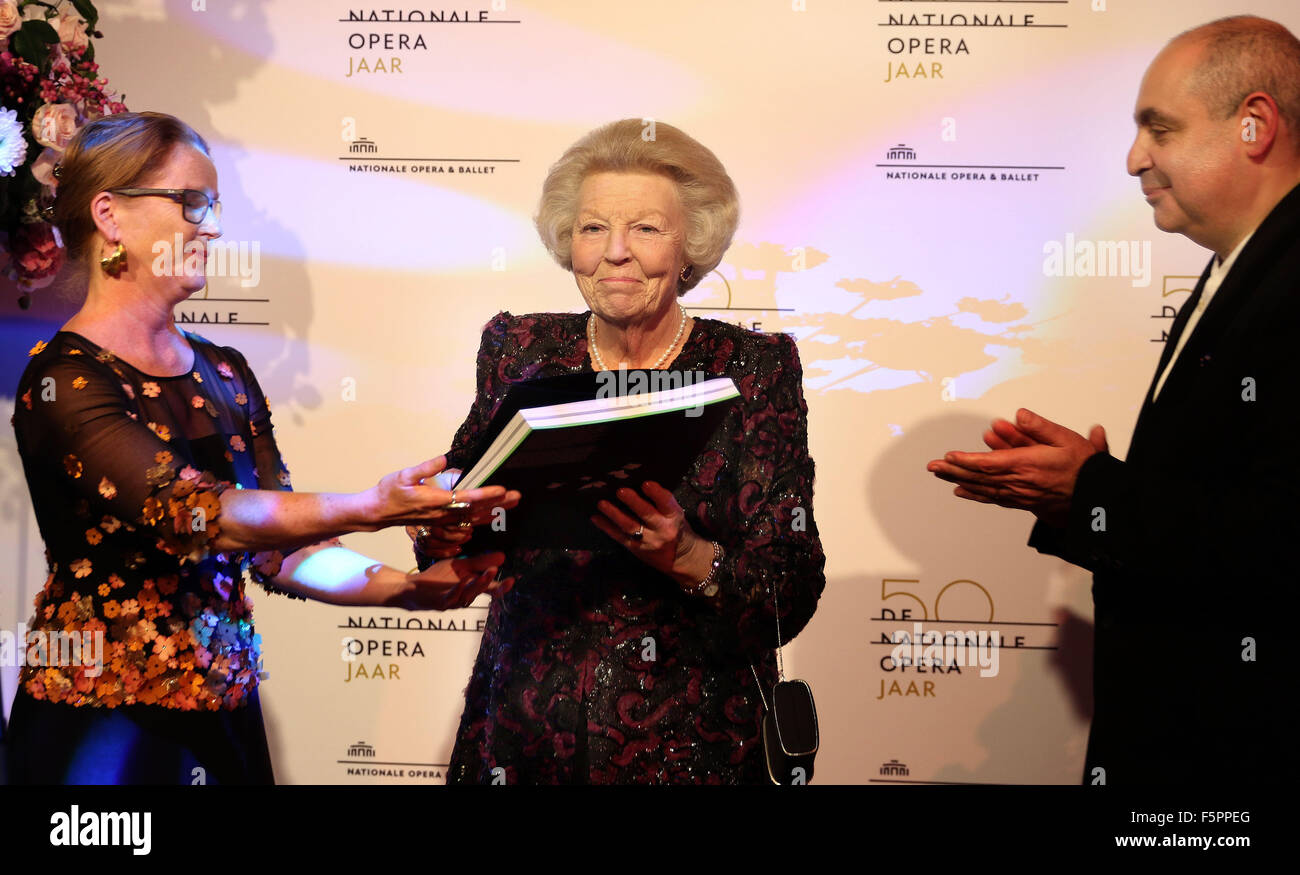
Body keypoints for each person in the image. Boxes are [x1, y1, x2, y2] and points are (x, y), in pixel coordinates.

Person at [6, 112, 519, 785]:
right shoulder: (64, 378)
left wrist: (409, 589)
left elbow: (280, 549)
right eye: (191, 202)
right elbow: (198, 511)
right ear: (111, 215)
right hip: (105, 740)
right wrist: (371, 505)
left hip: (224, 728)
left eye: (213, 205)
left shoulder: (224, 371)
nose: (211, 226)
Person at [926, 16, 1298, 785]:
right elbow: (1219, 497)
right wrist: (1083, 500)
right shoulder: (1241, 264)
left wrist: (1096, 491)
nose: (1135, 159)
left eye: (1158, 129)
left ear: (1254, 124)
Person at [412, 118, 826, 784]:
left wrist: (687, 555)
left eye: (646, 229)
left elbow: (790, 587)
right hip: (524, 737)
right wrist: (443, 520)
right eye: (593, 228)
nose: (616, 253)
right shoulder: (520, 349)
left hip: (695, 747)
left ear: (691, 245)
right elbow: (459, 525)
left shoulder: (753, 366)